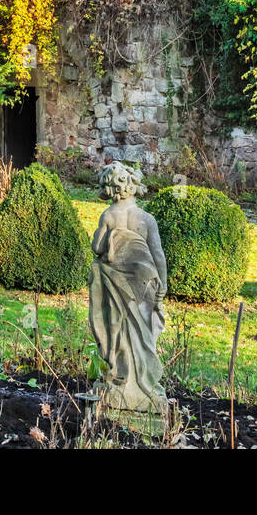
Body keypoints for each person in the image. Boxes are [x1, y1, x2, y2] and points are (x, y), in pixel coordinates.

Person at [89, 161, 168, 416]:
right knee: (143, 333)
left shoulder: (109, 216)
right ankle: (143, 385)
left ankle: (120, 378)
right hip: (144, 284)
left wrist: (111, 236)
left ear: (108, 188)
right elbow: (158, 255)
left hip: (115, 284)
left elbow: (98, 248)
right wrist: (163, 285)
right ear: (133, 186)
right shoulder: (146, 219)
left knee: (118, 331)